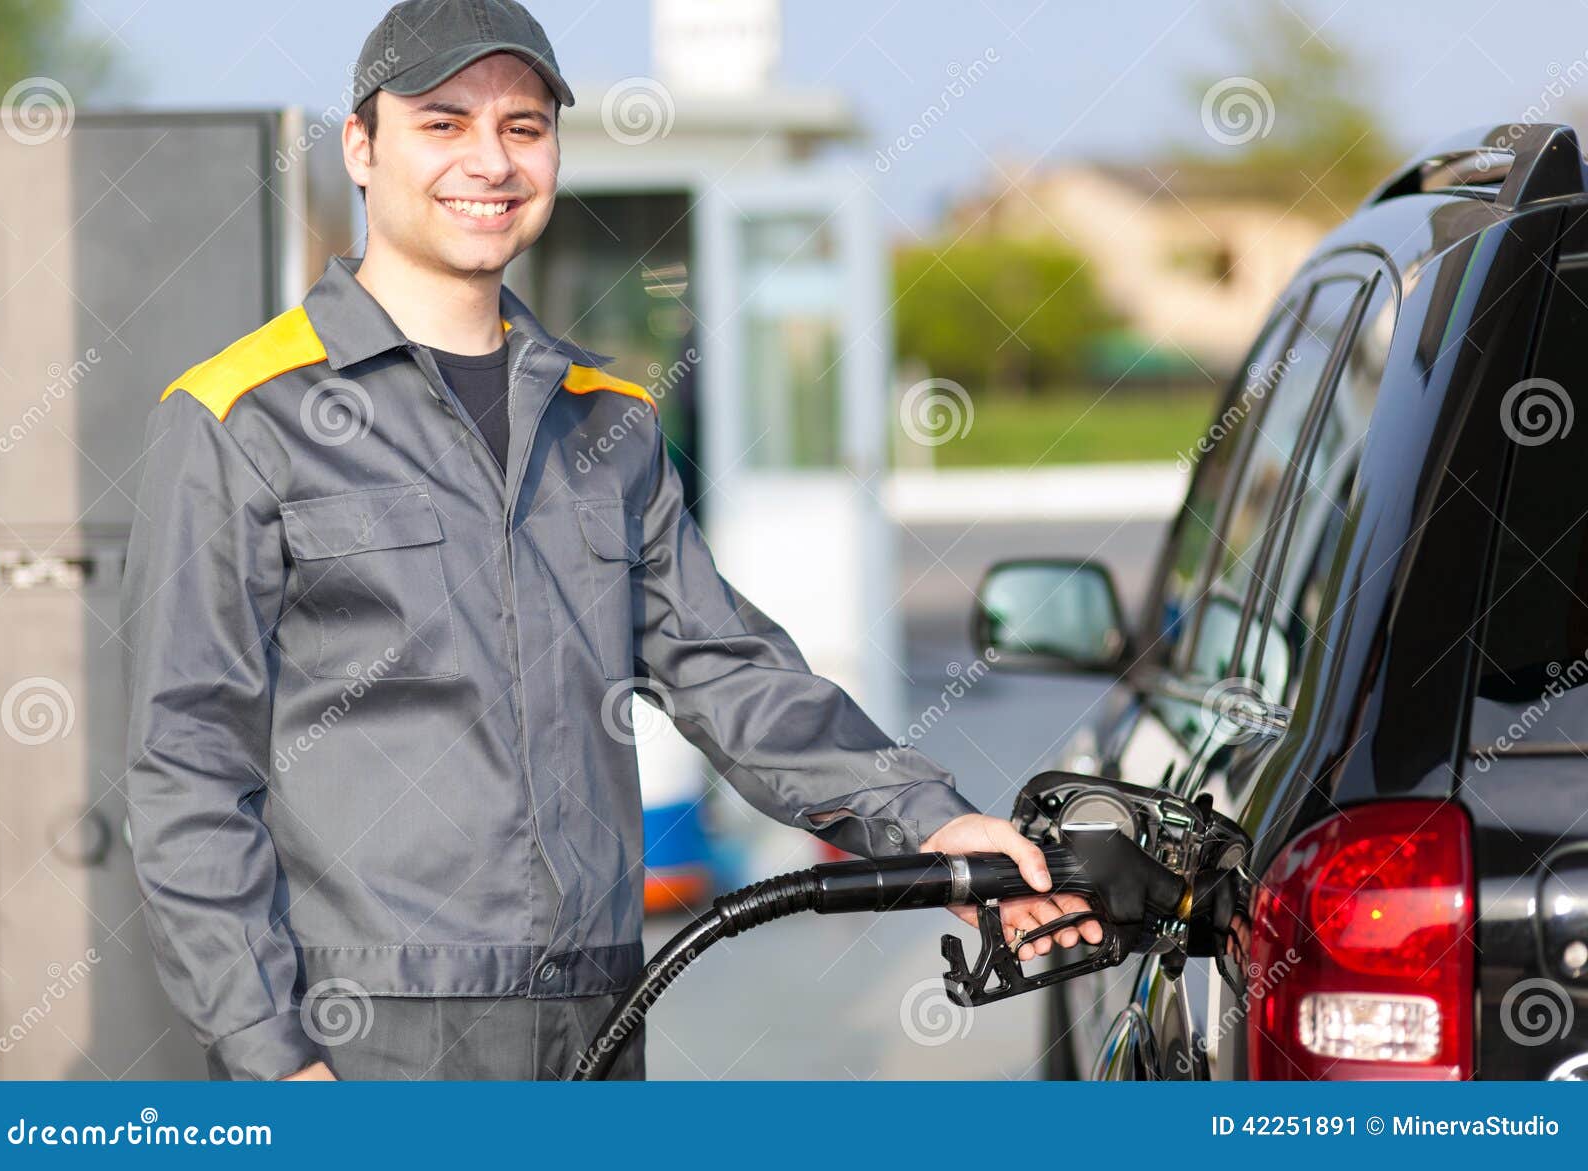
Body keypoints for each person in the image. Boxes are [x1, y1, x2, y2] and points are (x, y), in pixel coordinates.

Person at [119, 0, 1099, 1083]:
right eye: (442, 124)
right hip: (365, 1028)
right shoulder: (241, 417)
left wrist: (928, 820)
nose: (488, 161)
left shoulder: (606, 419)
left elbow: (728, 671)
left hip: (596, 1003)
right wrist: (270, 1051)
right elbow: (185, 767)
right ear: (362, 145)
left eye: (524, 128)